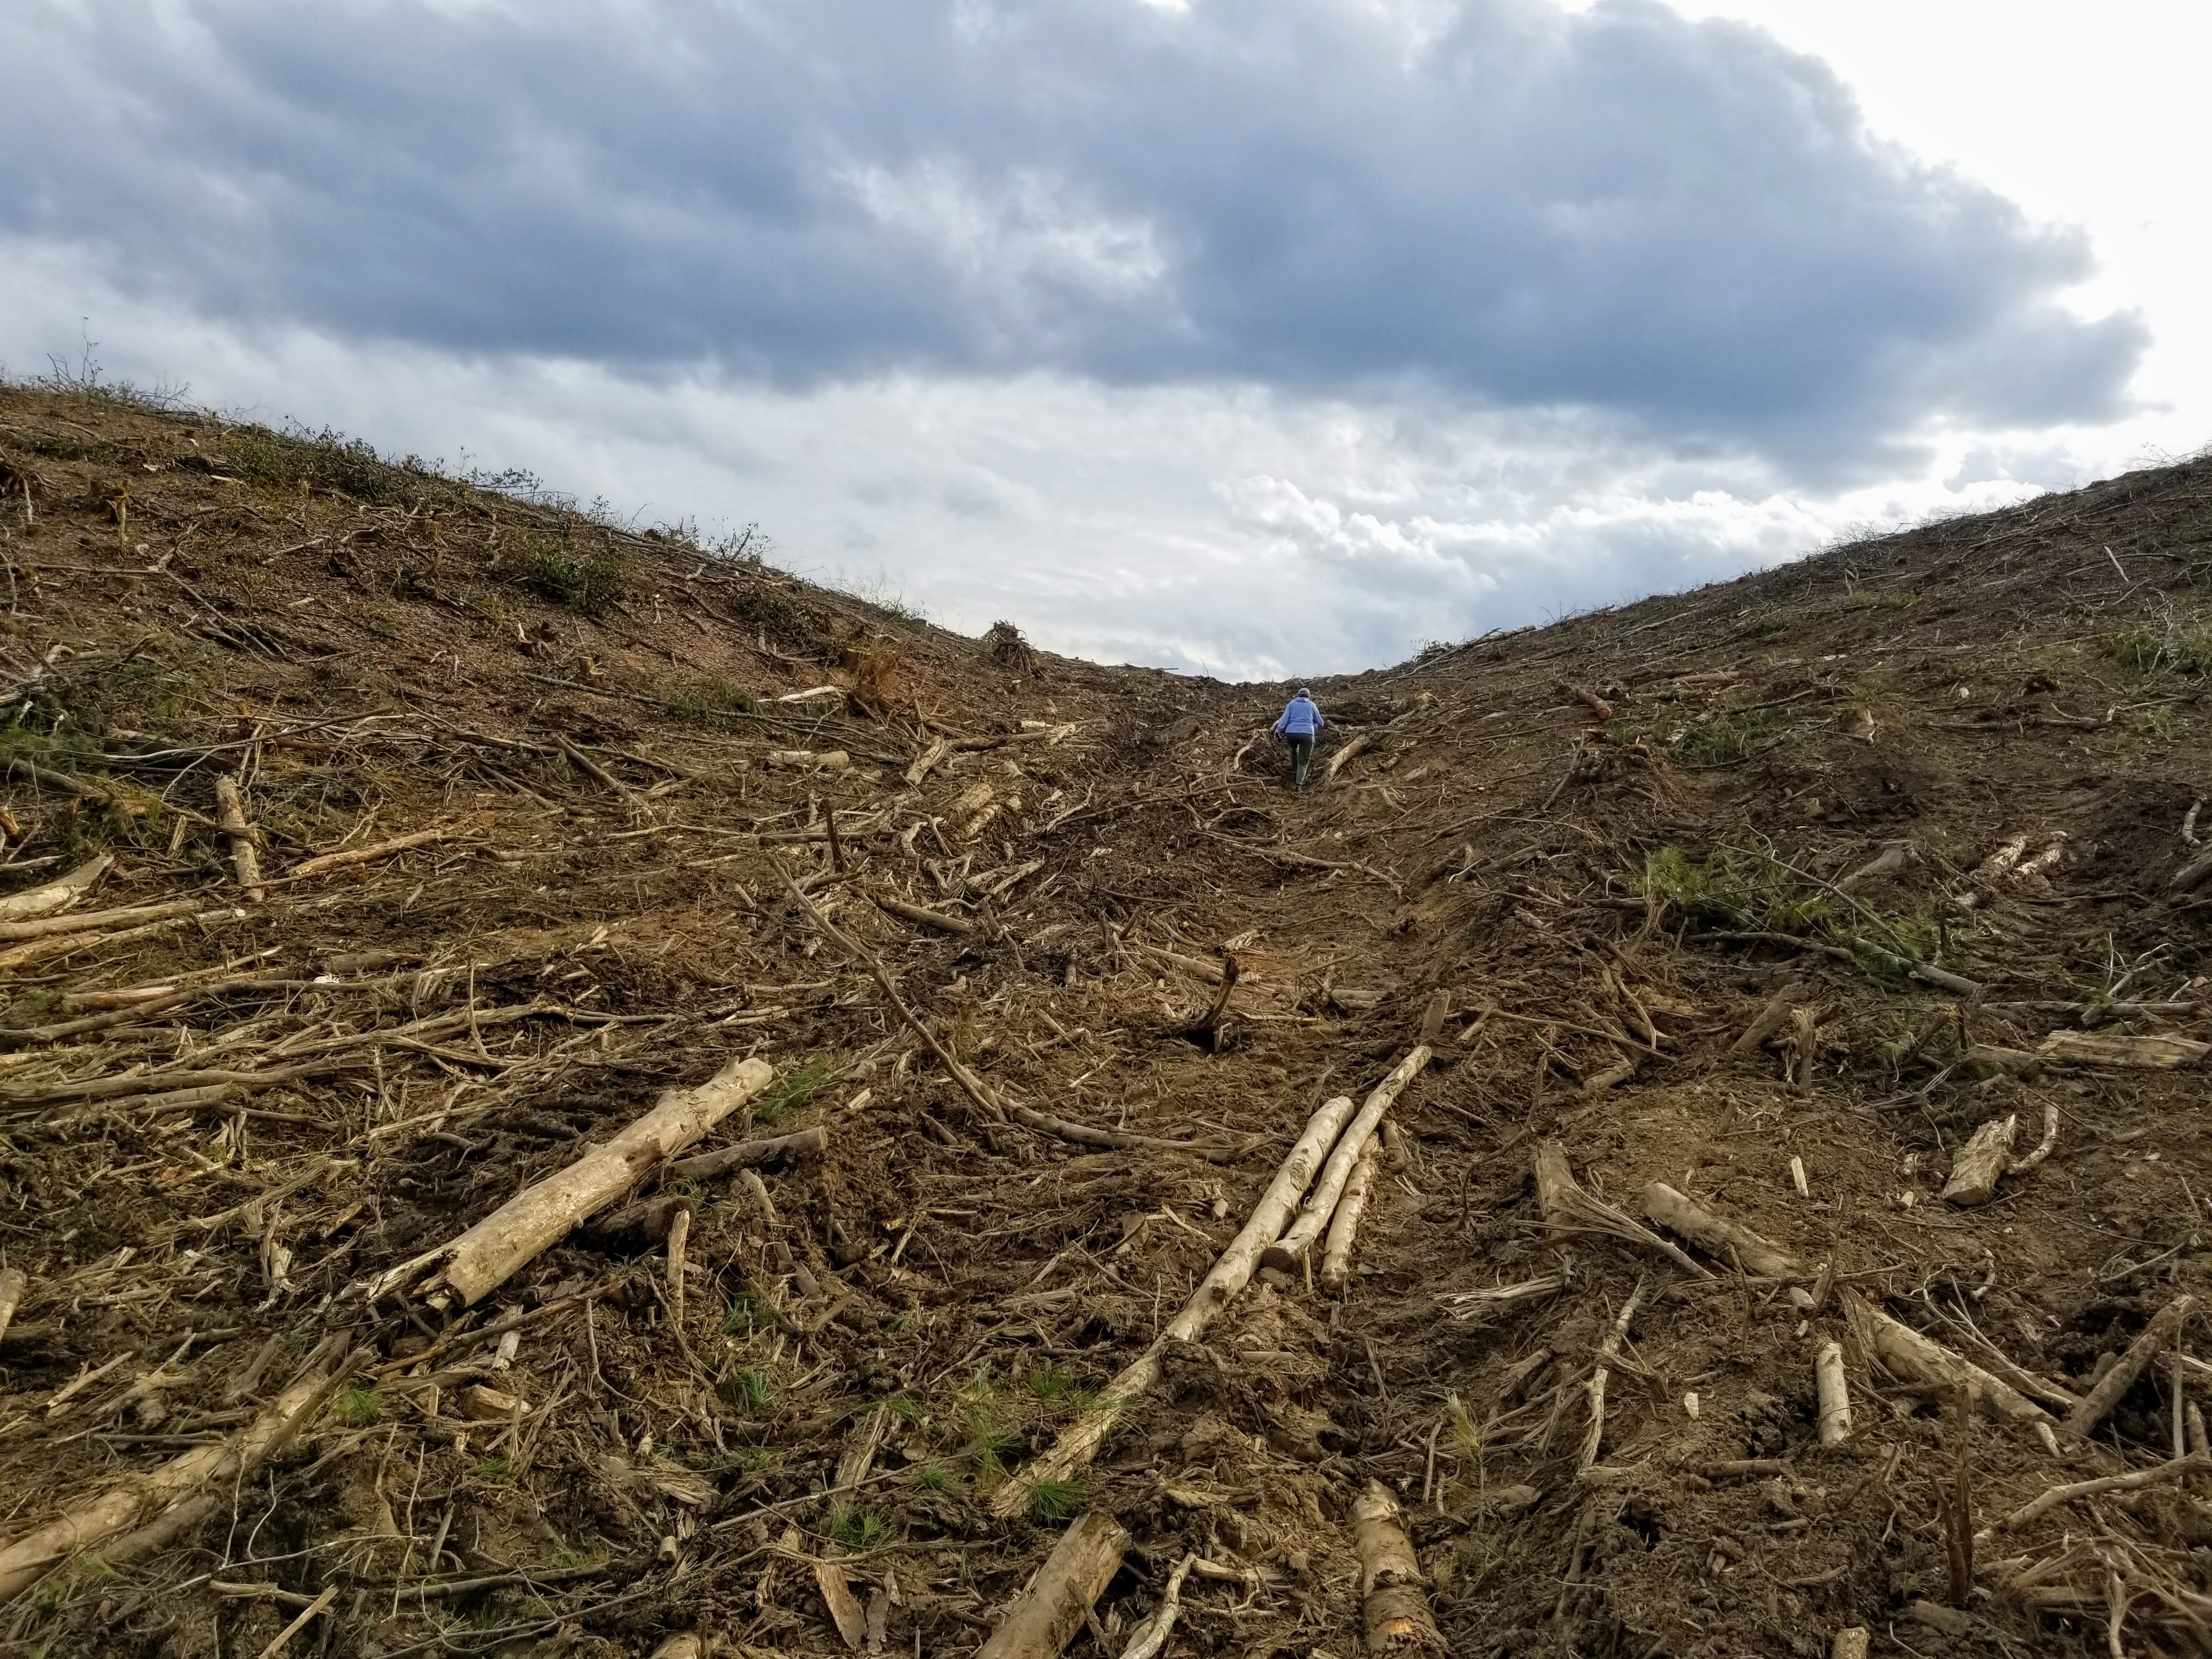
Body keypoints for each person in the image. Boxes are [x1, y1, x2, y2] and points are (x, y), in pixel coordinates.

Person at [1273, 687, 1325, 789]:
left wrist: (1278, 731)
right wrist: (1313, 728)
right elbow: (1321, 723)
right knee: (1303, 761)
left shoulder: (1291, 704)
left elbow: (1284, 720)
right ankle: (1298, 785)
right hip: (1307, 734)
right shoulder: (1312, 705)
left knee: (1294, 750)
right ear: (1309, 696)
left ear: (1298, 696)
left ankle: (1296, 773)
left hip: (1291, 733)